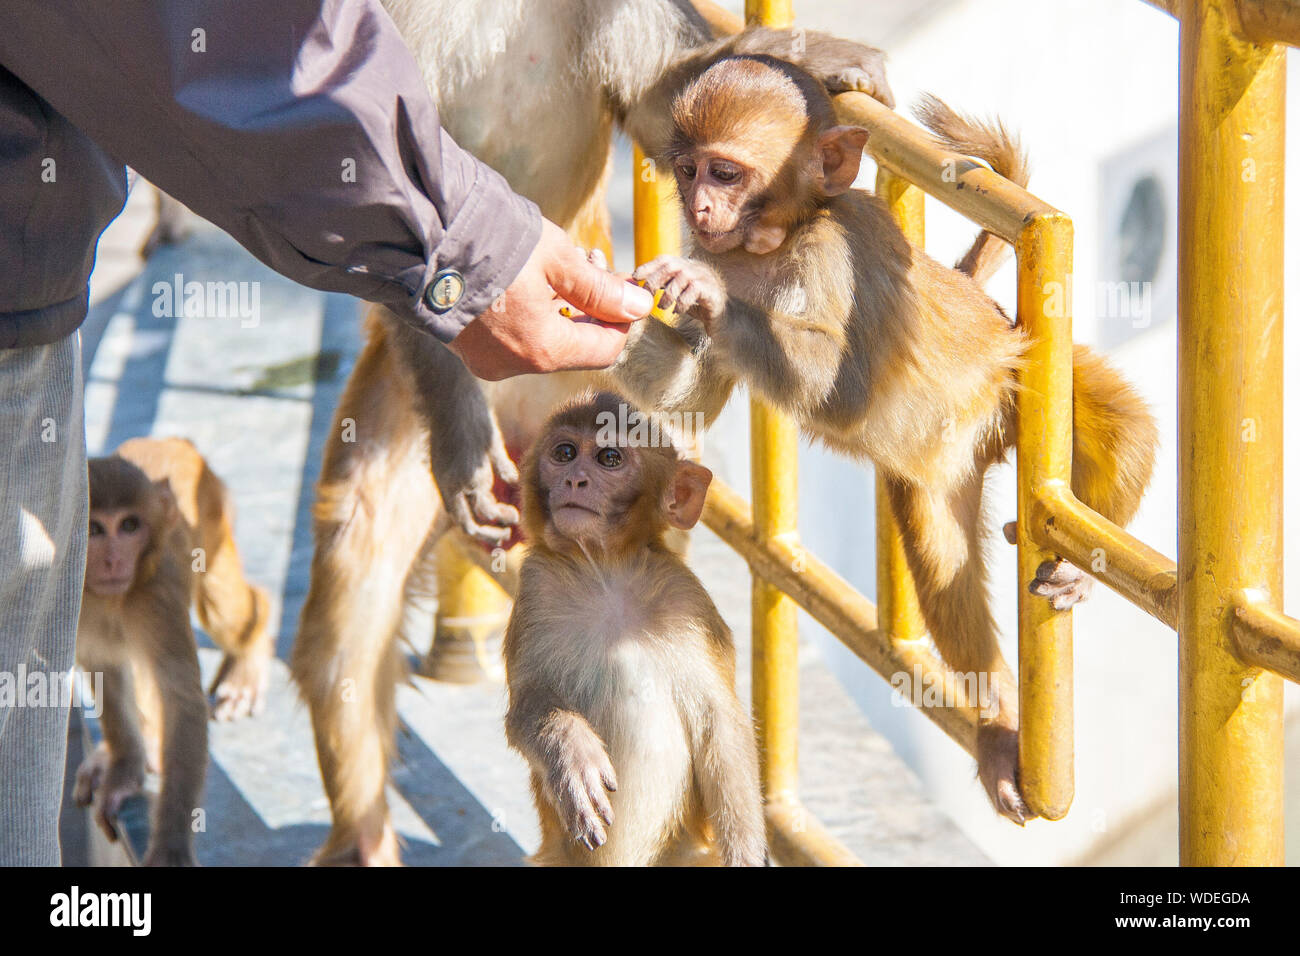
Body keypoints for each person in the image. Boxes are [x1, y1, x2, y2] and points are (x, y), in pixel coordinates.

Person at [0, 0, 653, 864]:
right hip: (437, 310)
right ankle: (362, 834)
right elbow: (229, 49)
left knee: (621, 615)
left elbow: (689, 99)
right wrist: (453, 284)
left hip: (559, 308)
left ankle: (620, 835)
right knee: (350, 563)